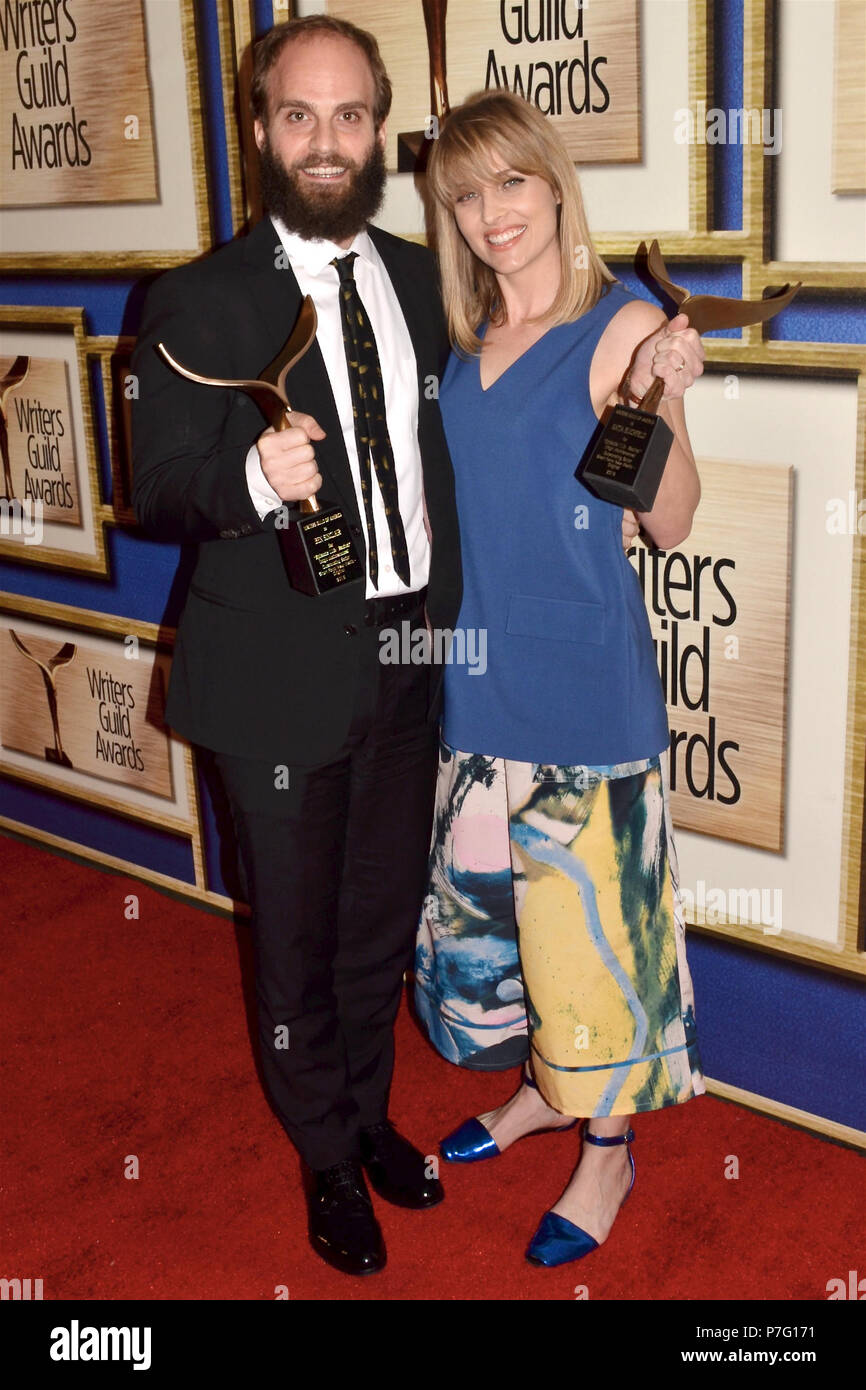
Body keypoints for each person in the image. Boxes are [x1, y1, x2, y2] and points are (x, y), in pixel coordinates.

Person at [130, 15, 465, 1278]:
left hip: (406, 657)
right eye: (298, 116)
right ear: (260, 128)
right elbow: (154, 485)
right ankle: (324, 1153)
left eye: (349, 116)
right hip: (273, 674)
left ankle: (368, 1112)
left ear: (380, 128)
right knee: (295, 940)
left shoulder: (429, 280)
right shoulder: (194, 300)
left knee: (380, 920)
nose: (326, 143)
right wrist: (252, 477)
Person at [414, 89, 707, 1267]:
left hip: (583, 696)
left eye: (510, 184)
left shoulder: (622, 324)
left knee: (595, 943)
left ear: (551, 186)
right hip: (473, 690)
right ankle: (543, 1088)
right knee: (509, 932)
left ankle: (605, 1149)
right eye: (464, 195)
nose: (491, 214)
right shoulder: (463, 343)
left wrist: (664, 393)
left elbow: (674, 522)